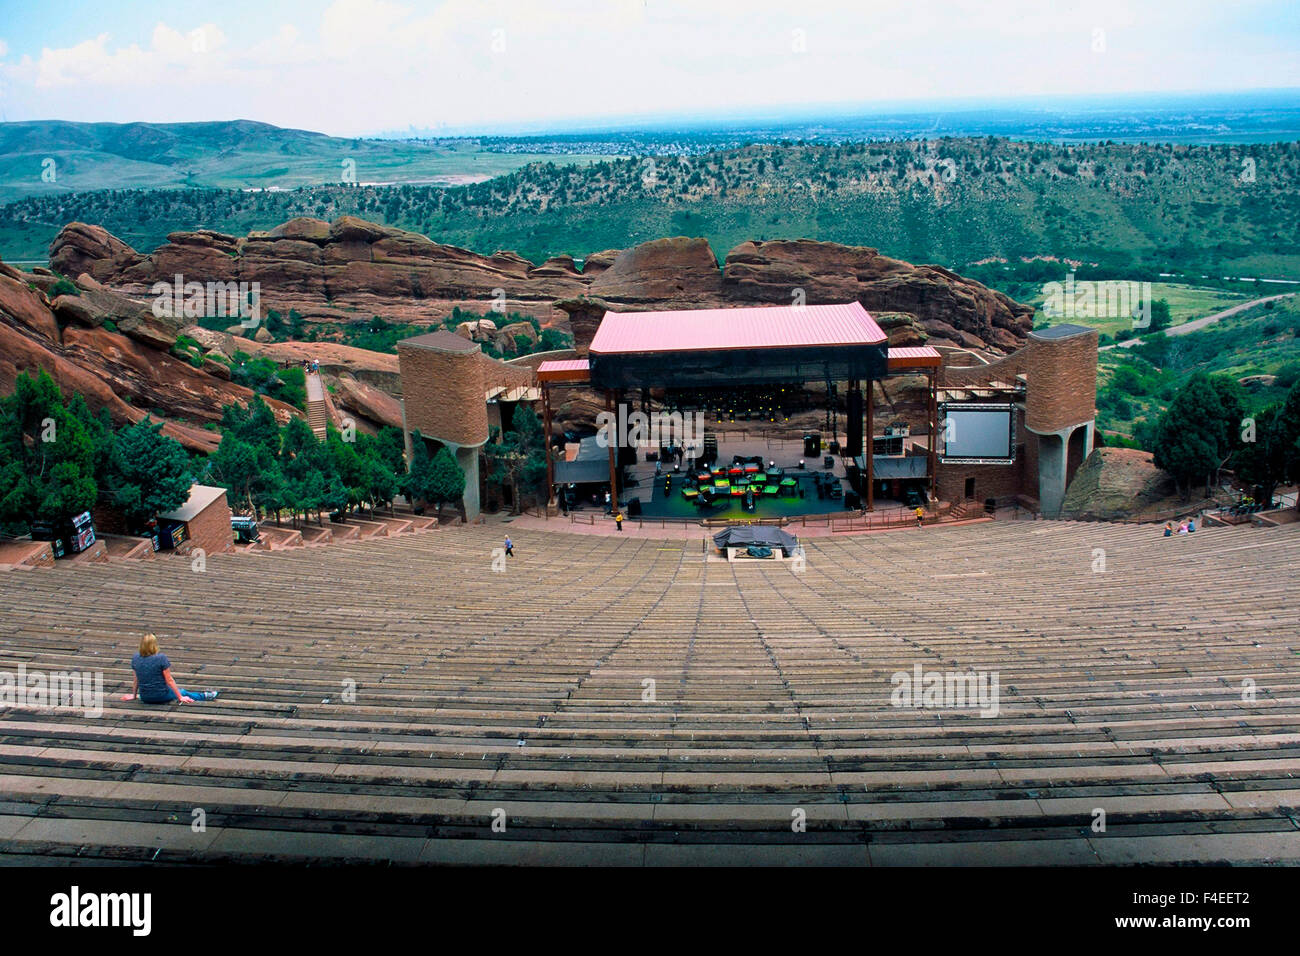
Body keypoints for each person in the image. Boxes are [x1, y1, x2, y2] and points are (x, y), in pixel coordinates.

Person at [122, 633, 217, 705]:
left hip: (145, 697)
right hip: (160, 695)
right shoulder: (160, 658)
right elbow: (169, 680)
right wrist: (180, 697)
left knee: (177, 691)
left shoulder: (136, 658)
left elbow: (136, 680)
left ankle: (205, 695)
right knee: (183, 691)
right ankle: (205, 696)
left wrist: (134, 696)